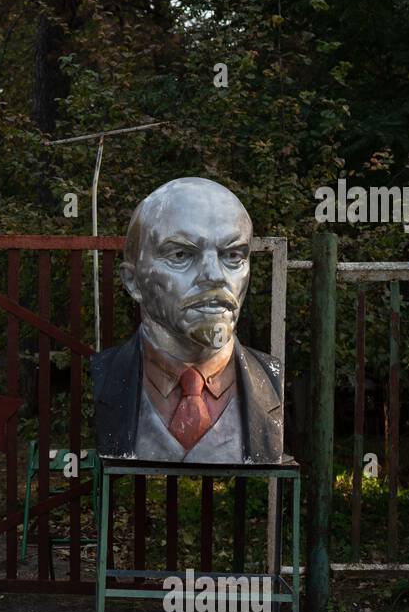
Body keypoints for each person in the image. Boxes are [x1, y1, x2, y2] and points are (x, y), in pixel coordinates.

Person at [91, 177, 284, 463]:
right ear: (133, 282)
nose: (215, 276)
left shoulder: (270, 378)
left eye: (232, 255)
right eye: (181, 255)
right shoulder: (106, 376)